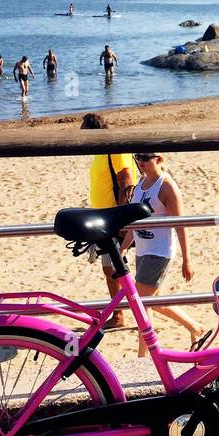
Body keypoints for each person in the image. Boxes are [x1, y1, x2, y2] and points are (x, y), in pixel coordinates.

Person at [121, 150, 207, 352]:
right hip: (142, 249)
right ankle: (195, 327)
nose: (140, 162)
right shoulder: (141, 184)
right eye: (138, 157)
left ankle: (144, 355)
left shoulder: (166, 186)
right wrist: (123, 247)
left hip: (159, 252)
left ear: (158, 158)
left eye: (145, 157)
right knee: (153, 301)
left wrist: (187, 259)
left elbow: (180, 223)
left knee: (141, 304)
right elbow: (135, 222)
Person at [82, 113, 139, 324]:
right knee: (112, 268)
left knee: (114, 268)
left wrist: (121, 218)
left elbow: (126, 179)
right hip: (103, 219)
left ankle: (121, 313)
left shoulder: (113, 147)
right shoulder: (102, 149)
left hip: (113, 219)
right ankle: (123, 310)